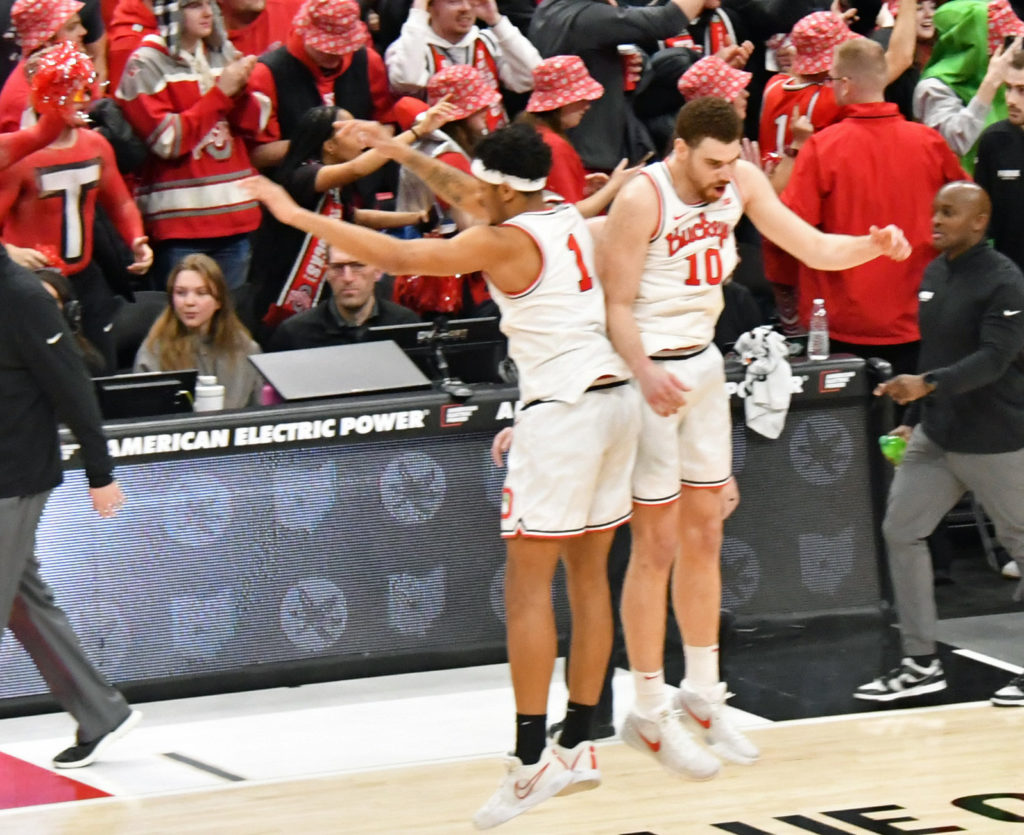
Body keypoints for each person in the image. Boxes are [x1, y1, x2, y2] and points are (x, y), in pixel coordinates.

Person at [245, 122, 641, 829]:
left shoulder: (500, 241)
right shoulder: (557, 211)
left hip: (565, 415)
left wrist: (296, 213)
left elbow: (401, 253)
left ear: (495, 185)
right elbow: (465, 187)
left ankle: (528, 764)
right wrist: (398, 150)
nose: (465, 191)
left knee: (526, 590)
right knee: (588, 580)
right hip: (614, 404)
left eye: (475, 181)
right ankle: (580, 741)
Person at [597, 97, 911, 779]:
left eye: (731, 160)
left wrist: (871, 244)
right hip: (645, 372)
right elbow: (615, 305)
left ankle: (703, 692)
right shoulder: (640, 199)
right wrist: (644, 372)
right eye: (712, 162)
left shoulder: (739, 177)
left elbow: (810, 244)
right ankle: (647, 708)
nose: (723, 175)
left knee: (706, 532)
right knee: (655, 544)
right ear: (678, 149)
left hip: (704, 367)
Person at [0, 117, 141, 771]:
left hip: (16, 474)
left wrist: (99, 470)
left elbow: (73, 388)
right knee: (23, 601)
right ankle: (100, 709)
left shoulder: (24, 296)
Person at [853, 181, 1024, 708]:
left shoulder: (1005, 283)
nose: (937, 220)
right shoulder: (934, 272)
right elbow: (937, 349)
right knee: (901, 530)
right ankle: (921, 660)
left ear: (980, 221)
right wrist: (915, 416)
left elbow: (993, 361)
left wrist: (926, 384)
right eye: (935, 211)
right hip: (938, 434)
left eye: (950, 213)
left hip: (996, 438)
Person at [768, 37, 967, 378]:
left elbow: (789, 231)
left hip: (839, 325)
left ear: (845, 85)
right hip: (917, 317)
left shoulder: (821, 148)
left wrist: (785, 294)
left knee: (843, 428)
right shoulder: (930, 144)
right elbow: (968, 217)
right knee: (909, 427)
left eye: (831, 79)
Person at [0, 43, 152, 373]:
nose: (83, 98)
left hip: (85, 277)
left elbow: (121, 200)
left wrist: (136, 238)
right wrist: (9, 252)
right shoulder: (19, 157)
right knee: (44, 372)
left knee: (102, 365)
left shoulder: (95, 145)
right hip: (35, 280)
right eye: (72, 91)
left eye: (83, 89)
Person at [250, 98, 451, 332]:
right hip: (281, 293)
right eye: (351, 130)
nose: (361, 138)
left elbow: (353, 217)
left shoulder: (333, 183)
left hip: (319, 293)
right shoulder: (302, 175)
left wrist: (417, 217)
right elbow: (357, 169)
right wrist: (416, 132)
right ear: (329, 146)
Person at [115, 0, 274, 291]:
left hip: (235, 215)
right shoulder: (144, 63)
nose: (206, 13)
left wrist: (242, 88)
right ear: (170, 13)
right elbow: (168, 141)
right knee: (184, 323)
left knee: (229, 321)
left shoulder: (221, 52)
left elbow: (255, 123)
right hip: (180, 225)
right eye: (192, 5)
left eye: (209, 3)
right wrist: (222, 92)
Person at [527, 0, 708, 172]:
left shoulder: (549, 9)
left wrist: (625, 62)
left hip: (574, 143)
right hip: (590, 155)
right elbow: (666, 20)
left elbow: (589, 55)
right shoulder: (586, 18)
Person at [384, 0, 540, 128]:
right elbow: (406, 81)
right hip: (443, 154)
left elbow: (534, 76)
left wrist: (496, 20)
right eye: (454, 1)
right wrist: (418, 13)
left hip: (495, 148)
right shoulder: (410, 48)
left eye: (471, 0)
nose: (466, 8)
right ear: (429, 6)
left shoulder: (488, 40)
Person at [135, 253, 263, 409]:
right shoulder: (154, 350)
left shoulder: (245, 350)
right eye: (181, 293)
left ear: (219, 301)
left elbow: (260, 413)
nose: (189, 302)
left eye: (201, 293)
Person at [517, 54, 638, 215]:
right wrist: (614, 186)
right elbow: (570, 215)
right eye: (580, 97)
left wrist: (582, 187)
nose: (587, 105)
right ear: (561, 102)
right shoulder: (553, 146)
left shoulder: (533, 131)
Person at [913, 0, 1024, 173]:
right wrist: (990, 84)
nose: (1007, 53)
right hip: (958, 193)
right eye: (1002, 42)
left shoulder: (1006, 80)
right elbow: (955, 143)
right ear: (973, 42)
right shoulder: (933, 87)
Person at [267, 243, 420, 350]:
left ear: (378, 271)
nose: (348, 278)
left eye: (358, 266)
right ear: (327, 273)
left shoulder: (404, 325)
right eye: (338, 267)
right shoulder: (294, 333)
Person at [974, 45, 1024, 274]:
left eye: (1022, 90)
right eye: (1008, 88)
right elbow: (982, 224)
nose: (1011, 100)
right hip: (1010, 279)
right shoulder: (994, 141)